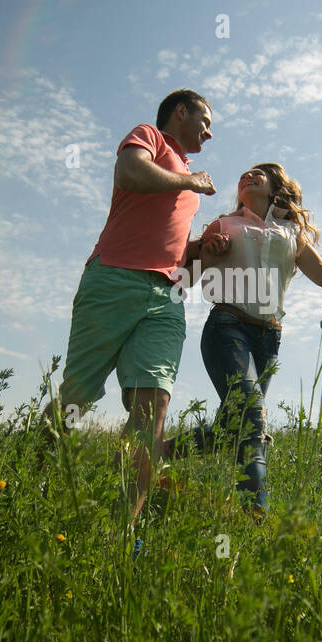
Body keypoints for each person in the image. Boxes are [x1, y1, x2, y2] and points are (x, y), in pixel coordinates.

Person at [165, 163, 322, 519]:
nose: (248, 177)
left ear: (275, 189)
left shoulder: (291, 231)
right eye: (244, 174)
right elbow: (185, 281)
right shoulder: (224, 224)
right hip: (226, 328)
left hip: (269, 339)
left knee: (231, 427)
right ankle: (256, 517)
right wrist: (205, 250)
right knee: (253, 418)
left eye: (259, 174)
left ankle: (161, 453)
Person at [52, 90, 228, 525]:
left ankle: (119, 530)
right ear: (180, 112)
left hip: (166, 297)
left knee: (152, 412)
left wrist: (201, 249)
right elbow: (130, 173)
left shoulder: (185, 172)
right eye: (204, 119)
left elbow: (170, 249)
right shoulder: (149, 137)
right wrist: (192, 181)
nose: (209, 129)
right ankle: (23, 489)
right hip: (114, 277)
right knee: (76, 398)